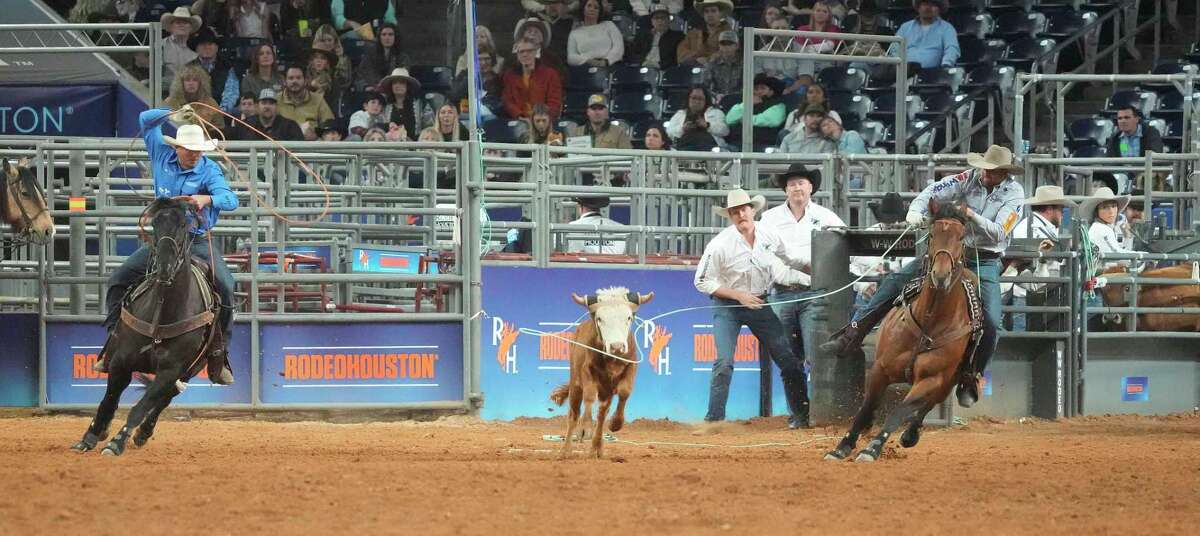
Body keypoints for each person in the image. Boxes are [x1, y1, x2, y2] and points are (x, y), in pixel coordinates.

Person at [821, 144, 1027, 408]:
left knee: (992, 321)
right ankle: (852, 333)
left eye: (993, 172)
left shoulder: (1014, 193)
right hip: (950, 250)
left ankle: (970, 375)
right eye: (985, 170)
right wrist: (916, 210)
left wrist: (971, 214)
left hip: (983, 260)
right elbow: (933, 191)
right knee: (895, 282)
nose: (986, 176)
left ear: (1004, 174)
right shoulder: (967, 178)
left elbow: (999, 232)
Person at [94, 105, 238, 384]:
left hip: (196, 241)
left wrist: (207, 199)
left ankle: (220, 355)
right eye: (190, 149)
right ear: (178, 148)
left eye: (199, 150)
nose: (195, 154)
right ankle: (113, 341)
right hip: (163, 241)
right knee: (118, 279)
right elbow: (145, 120)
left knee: (226, 286)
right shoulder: (160, 153)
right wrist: (174, 111)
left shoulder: (210, 171)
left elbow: (231, 199)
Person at [693, 188, 813, 427]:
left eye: (743, 209)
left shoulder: (768, 234)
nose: (740, 215)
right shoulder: (720, 245)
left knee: (788, 359)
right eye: (735, 212)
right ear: (730, 216)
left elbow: (791, 258)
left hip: (758, 301)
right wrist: (739, 295)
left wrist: (817, 272)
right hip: (729, 304)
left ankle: (801, 416)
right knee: (724, 362)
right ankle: (714, 420)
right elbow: (701, 281)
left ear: (752, 210)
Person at [759, 164, 845, 429]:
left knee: (817, 356)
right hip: (782, 293)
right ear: (786, 189)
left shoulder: (826, 217)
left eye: (802, 183)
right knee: (789, 360)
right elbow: (760, 252)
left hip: (813, 293)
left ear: (810, 188)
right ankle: (799, 414)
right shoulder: (770, 219)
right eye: (793, 183)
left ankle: (819, 413)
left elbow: (845, 244)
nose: (797, 187)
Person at [1003, 186, 1070, 332]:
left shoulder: (1036, 226)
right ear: (1050, 209)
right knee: (1025, 339)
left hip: (1037, 292)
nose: (1062, 214)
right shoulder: (1030, 228)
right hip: (1026, 295)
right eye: (1061, 209)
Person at [850, 192, 914, 318]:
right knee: (857, 323)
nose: (892, 223)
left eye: (895, 220)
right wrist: (863, 286)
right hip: (868, 295)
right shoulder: (867, 235)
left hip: (899, 298)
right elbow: (851, 266)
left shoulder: (911, 237)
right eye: (888, 220)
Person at [502, 38, 564, 121]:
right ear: (517, 54)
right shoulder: (510, 75)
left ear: (536, 52)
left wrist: (540, 119)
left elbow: (554, 102)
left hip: (544, 121)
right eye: (521, 51)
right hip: (519, 120)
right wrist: (520, 116)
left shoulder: (550, 74)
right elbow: (507, 101)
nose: (525, 54)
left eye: (529, 51)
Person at [725, 74, 787, 150]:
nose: (758, 91)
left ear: (771, 91)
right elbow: (729, 119)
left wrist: (743, 119)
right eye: (756, 89)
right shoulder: (743, 103)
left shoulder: (778, 105)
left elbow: (773, 120)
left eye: (762, 88)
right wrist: (746, 104)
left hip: (765, 144)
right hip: (737, 143)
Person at [186, 27, 240, 114]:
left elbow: (231, 94)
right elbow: (183, 94)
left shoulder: (228, 67)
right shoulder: (188, 68)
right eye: (203, 44)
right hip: (194, 115)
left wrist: (219, 113)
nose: (207, 47)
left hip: (223, 116)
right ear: (196, 48)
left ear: (217, 47)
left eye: (210, 44)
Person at [277, 65, 335, 141]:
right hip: (283, 145)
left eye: (298, 78)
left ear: (305, 81)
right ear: (285, 81)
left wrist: (317, 135)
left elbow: (329, 124)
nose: (295, 81)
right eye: (291, 78)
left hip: (311, 145)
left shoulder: (318, 99)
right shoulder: (276, 100)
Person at [895, 0, 959, 69]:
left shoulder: (947, 28)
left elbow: (952, 49)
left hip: (932, 75)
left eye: (933, 4)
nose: (928, 8)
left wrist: (946, 65)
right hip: (903, 73)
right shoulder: (905, 27)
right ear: (918, 7)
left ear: (939, 9)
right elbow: (894, 49)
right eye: (924, 4)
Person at [1083, 187, 1136, 269]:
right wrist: (1144, 256)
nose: (1111, 211)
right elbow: (1118, 255)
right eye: (1105, 207)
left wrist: (1128, 237)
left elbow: (1118, 254)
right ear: (1097, 211)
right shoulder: (1101, 228)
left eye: (1114, 206)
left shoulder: (1102, 227)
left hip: (1103, 270)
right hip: (1098, 274)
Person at [665, 85, 728, 151]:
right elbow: (669, 132)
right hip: (684, 149)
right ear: (688, 99)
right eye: (694, 98)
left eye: (700, 99)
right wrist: (683, 128)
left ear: (706, 100)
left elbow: (725, 131)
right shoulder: (680, 114)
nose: (697, 102)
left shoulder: (716, 113)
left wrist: (707, 125)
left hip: (711, 149)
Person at [164, 64, 227, 130]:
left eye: (195, 80)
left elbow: (220, 128)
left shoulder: (210, 103)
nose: (191, 83)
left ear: (201, 83)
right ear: (181, 83)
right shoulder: (170, 102)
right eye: (187, 80)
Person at [228, 88, 305, 141]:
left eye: (271, 103)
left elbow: (300, 149)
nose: (267, 106)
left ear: (277, 107)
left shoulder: (290, 126)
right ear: (257, 106)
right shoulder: (244, 125)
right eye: (264, 103)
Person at [567, 0, 625, 67]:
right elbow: (570, 57)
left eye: (596, 7)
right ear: (583, 9)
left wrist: (606, 61)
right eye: (589, 6)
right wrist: (588, 61)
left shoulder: (609, 25)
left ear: (599, 12)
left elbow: (619, 48)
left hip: (609, 65)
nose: (592, 9)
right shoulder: (574, 33)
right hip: (585, 67)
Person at [355, 22, 409, 92]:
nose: (387, 38)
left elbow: (402, 78)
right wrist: (366, 87)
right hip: (372, 93)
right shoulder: (370, 55)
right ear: (379, 37)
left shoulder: (403, 57)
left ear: (395, 37)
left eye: (390, 34)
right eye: (384, 34)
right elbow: (360, 76)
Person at [159, 7, 201, 95]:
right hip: (164, 94)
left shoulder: (197, 49)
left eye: (185, 22)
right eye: (178, 22)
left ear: (191, 27)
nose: (182, 25)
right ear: (171, 27)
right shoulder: (160, 45)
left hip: (190, 95)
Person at [629, 3, 684, 69]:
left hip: (663, 69)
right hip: (642, 66)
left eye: (663, 17)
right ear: (652, 21)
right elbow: (635, 53)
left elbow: (676, 59)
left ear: (669, 20)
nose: (659, 20)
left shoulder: (678, 36)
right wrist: (640, 63)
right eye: (656, 18)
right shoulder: (643, 35)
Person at [677, 0, 733, 66]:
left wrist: (710, 58)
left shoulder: (729, 33)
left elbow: (730, 52)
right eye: (706, 11)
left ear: (720, 13)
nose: (710, 15)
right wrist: (696, 58)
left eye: (713, 11)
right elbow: (681, 53)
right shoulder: (693, 33)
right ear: (703, 14)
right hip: (695, 73)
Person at [568, 94, 633, 150]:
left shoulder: (619, 132)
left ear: (607, 112)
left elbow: (629, 157)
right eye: (593, 109)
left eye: (600, 109)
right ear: (588, 112)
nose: (597, 112)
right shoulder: (577, 133)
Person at [379, 67, 425, 141]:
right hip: (389, 147)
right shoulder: (384, 106)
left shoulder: (421, 105)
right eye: (394, 83)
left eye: (401, 82)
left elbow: (428, 128)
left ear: (408, 86)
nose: (398, 85)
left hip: (415, 147)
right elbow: (377, 128)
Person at [701, 30, 742, 101]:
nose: (726, 47)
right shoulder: (712, 64)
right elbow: (704, 87)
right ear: (719, 46)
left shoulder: (744, 64)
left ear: (737, 46)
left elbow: (748, 87)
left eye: (729, 44)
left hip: (739, 101)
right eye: (723, 44)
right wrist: (715, 96)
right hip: (716, 101)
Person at [332, 0, 397, 39]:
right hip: (350, 37)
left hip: (377, 37)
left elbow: (391, 21)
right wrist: (352, 24)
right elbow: (336, 19)